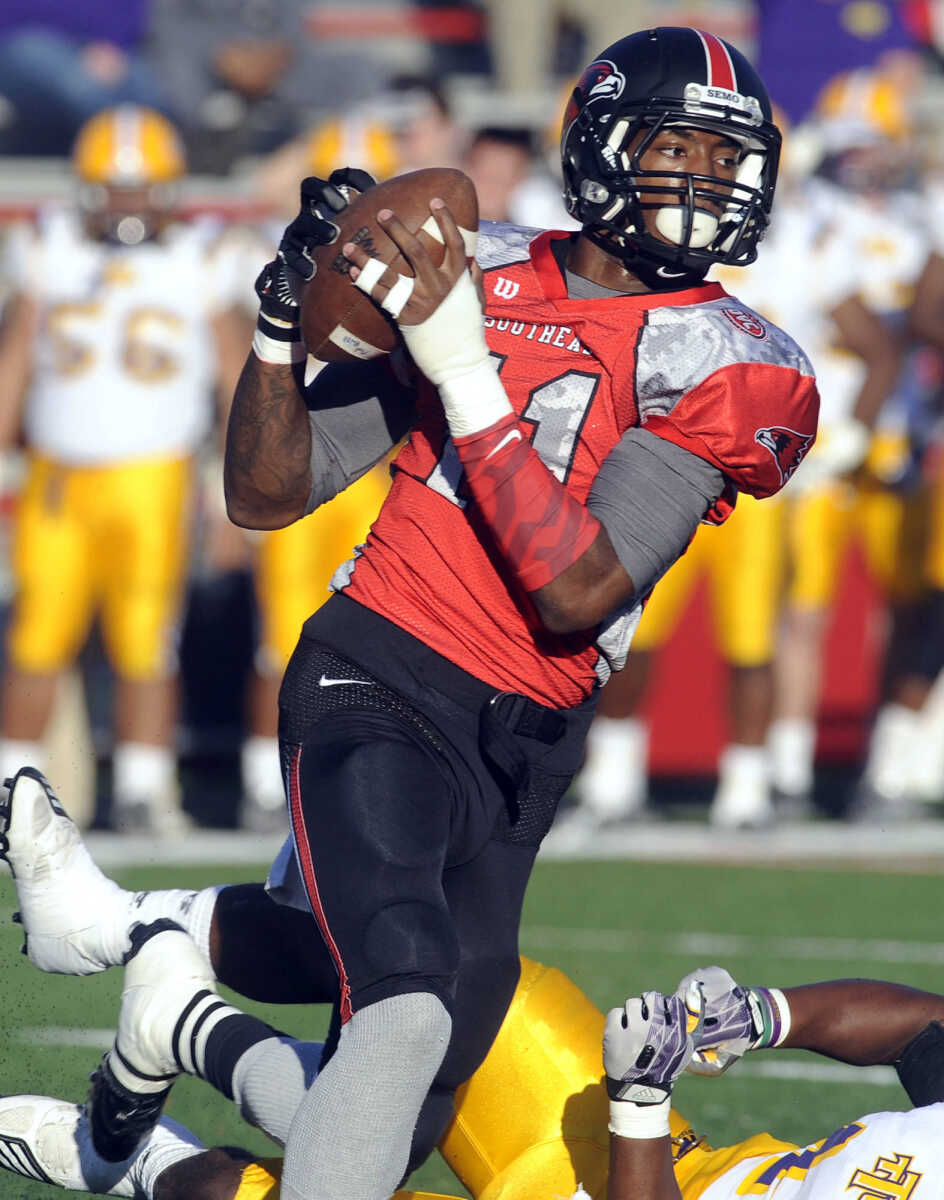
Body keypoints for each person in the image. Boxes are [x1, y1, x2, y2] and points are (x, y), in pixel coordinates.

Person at [219, 25, 817, 1197]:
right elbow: (268, 492)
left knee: (425, 1085)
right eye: (677, 147)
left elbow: (578, 589)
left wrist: (461, 369)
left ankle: (165, 1035)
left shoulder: (728, 355)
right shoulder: (468, 271)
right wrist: (280, 331)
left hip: (527, 733)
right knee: (402, 1004)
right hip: (378, 664)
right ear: (599, 145)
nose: (706, 179)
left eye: (725, 157)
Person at [3, 780, 944, 1200]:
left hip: (642, 1176)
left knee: (269, 1193)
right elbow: (923, 1030)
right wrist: (765, 1016)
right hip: (683, 1162)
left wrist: (643, 1102)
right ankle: (113, 926)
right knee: (451, 969)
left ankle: (131, 1155)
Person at [0, 106, 247, 834]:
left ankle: (143, 788)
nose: (125, 205)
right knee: (37, 635)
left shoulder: (202, 257)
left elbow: (235, 378)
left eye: (138, 189)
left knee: (146, 639)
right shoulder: (47, 246)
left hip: (154, 477)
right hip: (59, 477)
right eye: (112, 189)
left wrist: (232, 489)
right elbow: (15, 358)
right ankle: (11, 789)